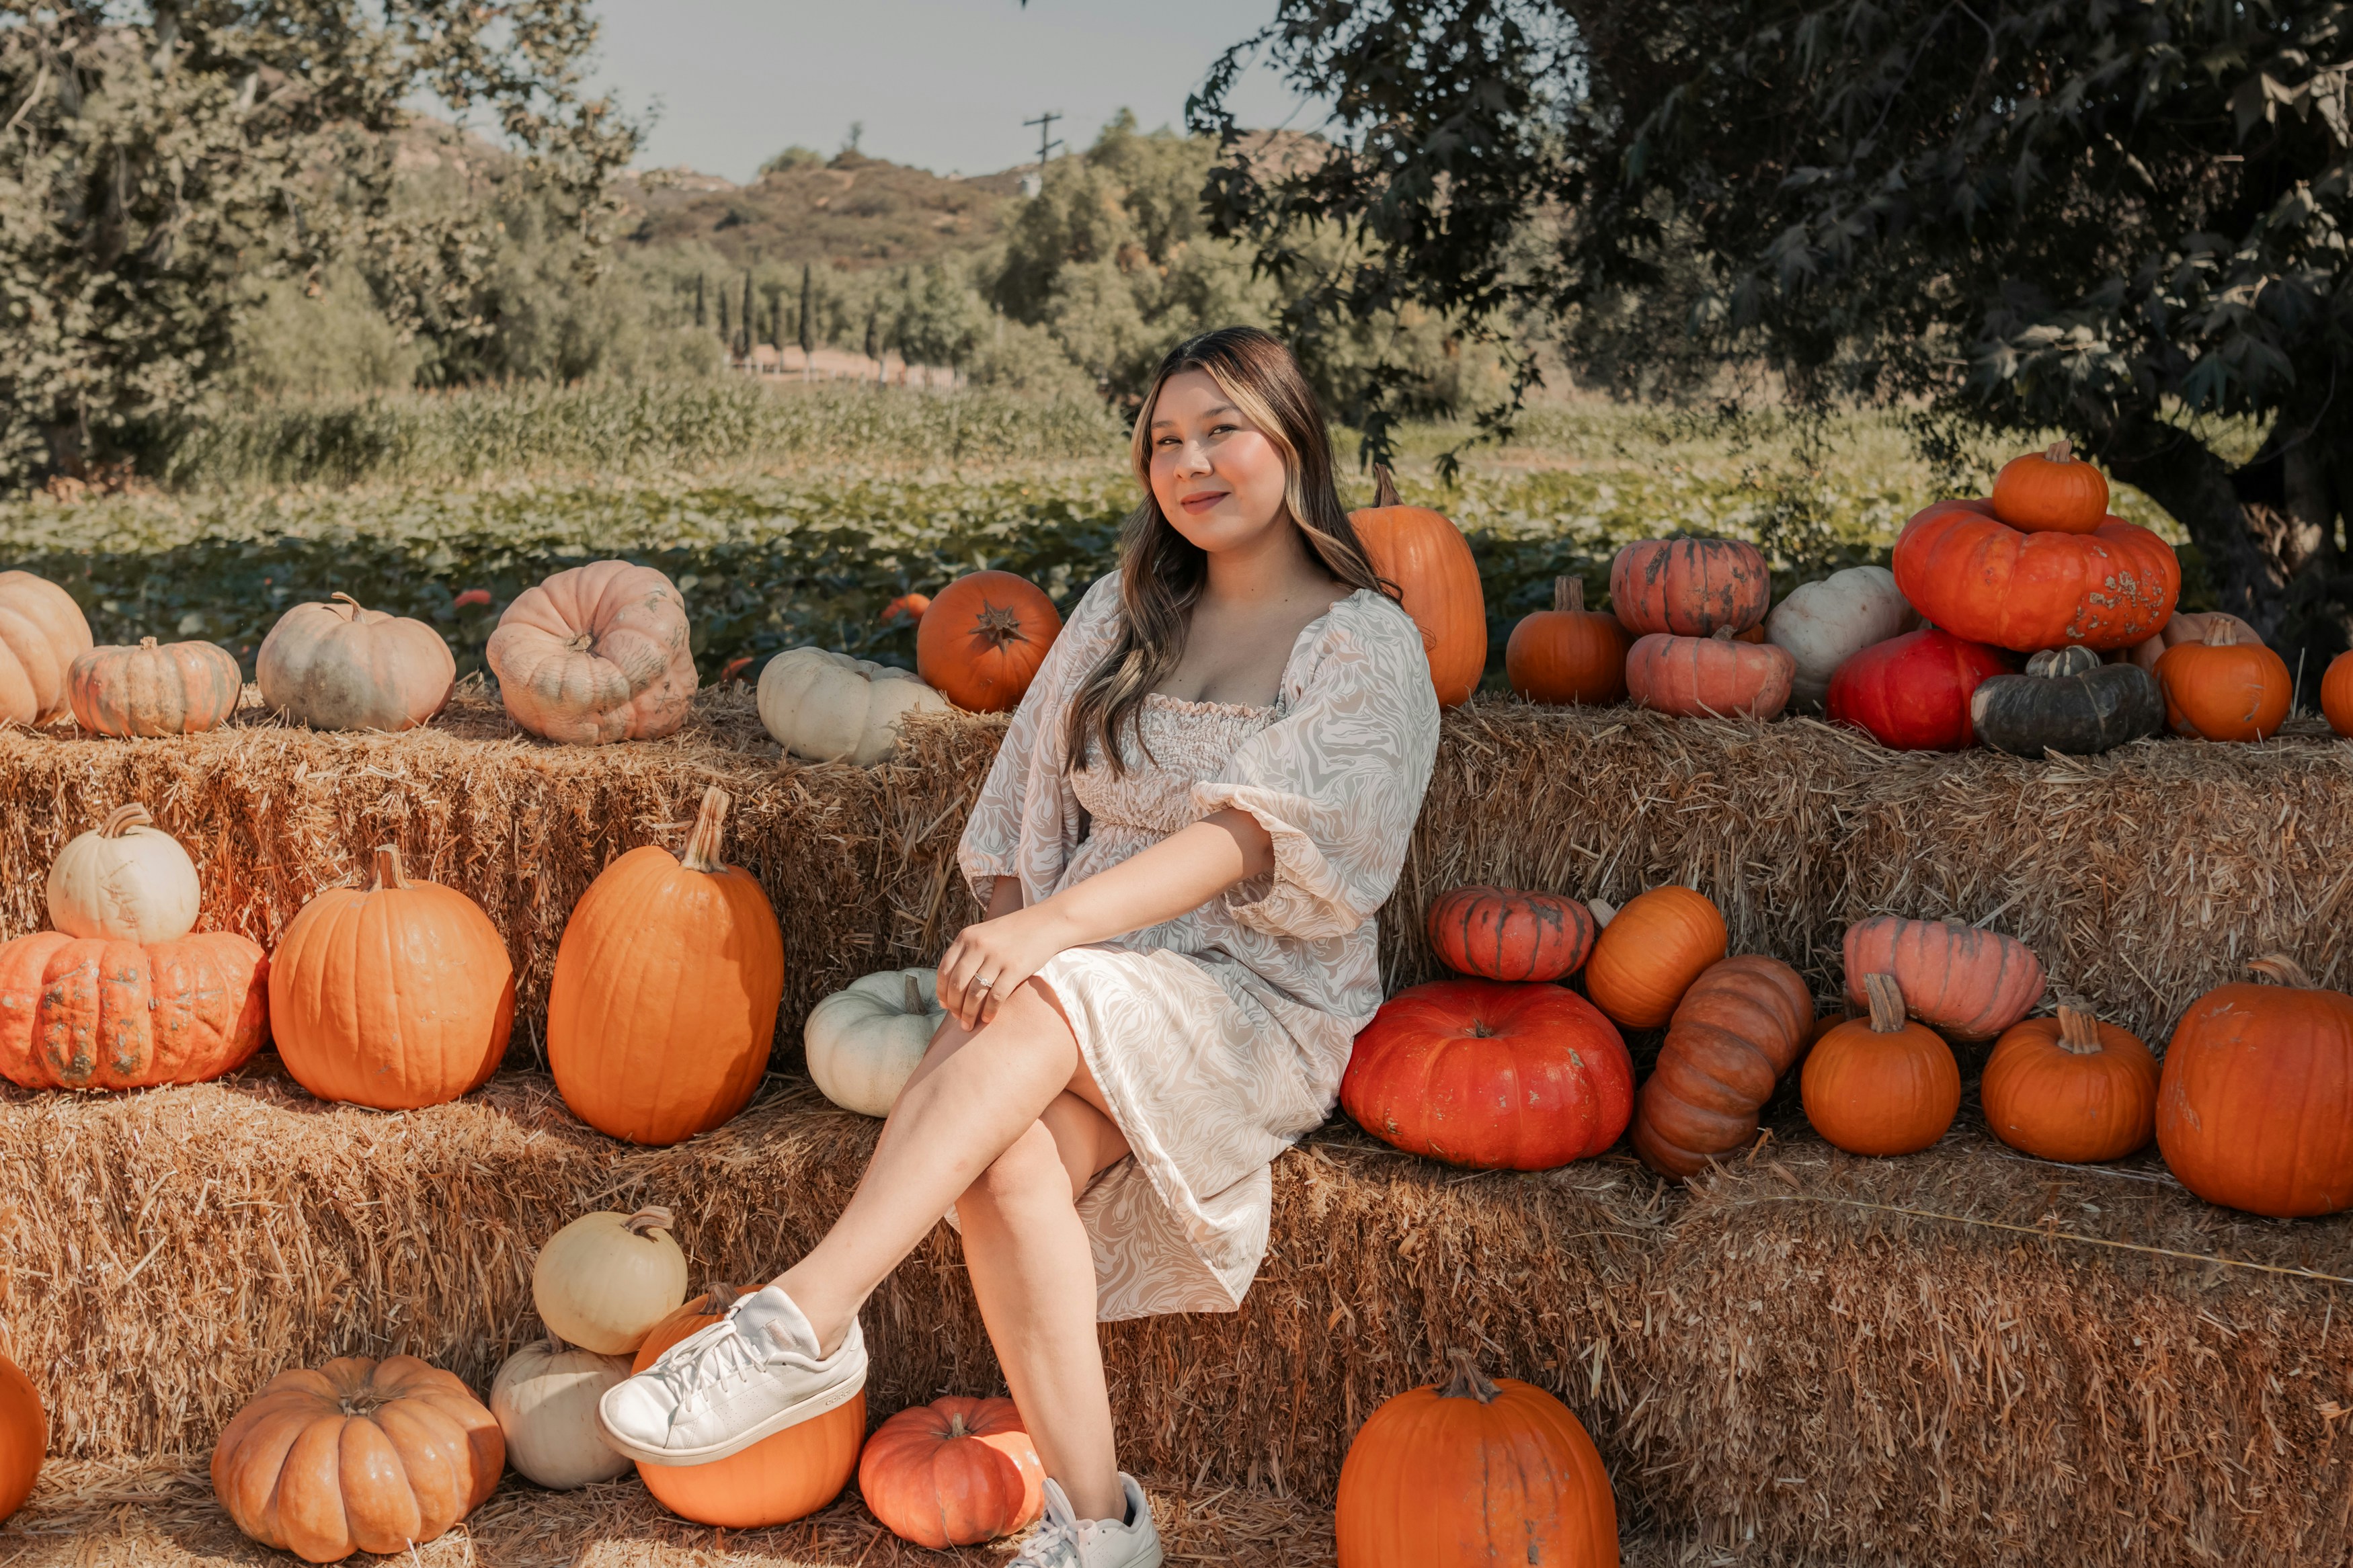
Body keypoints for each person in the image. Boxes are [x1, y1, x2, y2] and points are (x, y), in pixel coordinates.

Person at [598, 326, 1441, 1567]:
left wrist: (1045, 934)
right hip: (1083, 976)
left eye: (1224, 431)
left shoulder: (1366, 641)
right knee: (1004, 1163)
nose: (1191, 462)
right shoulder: (1124, 609)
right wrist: (1006, 955)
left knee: (1046, 983)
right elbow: (1021, 814)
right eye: (1165, 440)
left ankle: (802, 1322)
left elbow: (1246, 840)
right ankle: (1101, 1530)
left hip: (1249, 992)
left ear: (1295, 442)